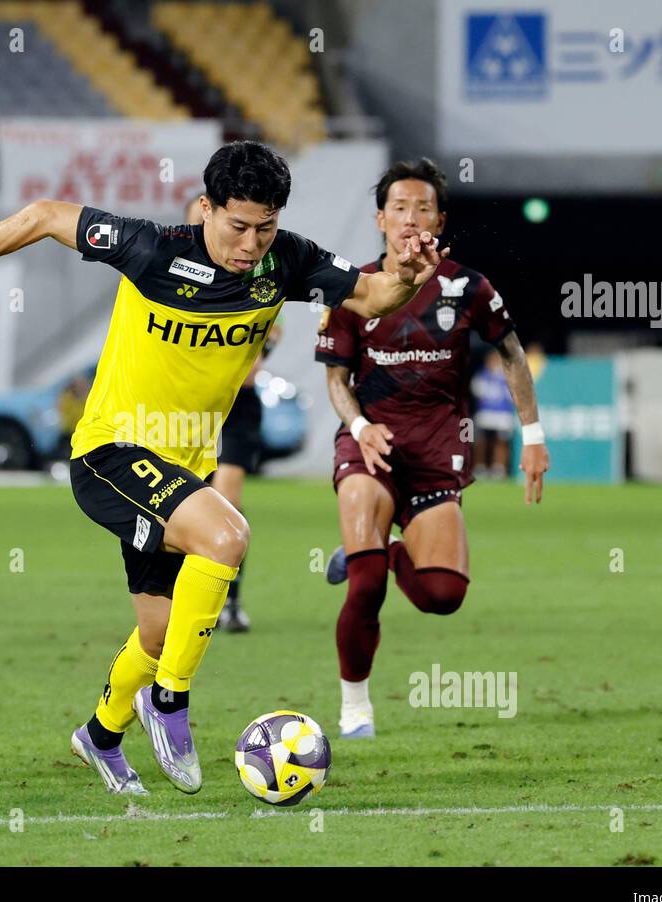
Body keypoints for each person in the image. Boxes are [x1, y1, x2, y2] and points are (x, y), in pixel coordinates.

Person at [0, 140, 443, 795]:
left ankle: (101, 736)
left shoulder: (288, 261)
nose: (252, 243)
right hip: (112, 452)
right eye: (238, 226)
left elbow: (372, 298)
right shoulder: (154, 248)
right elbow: (44, 216)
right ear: (206, 208)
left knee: (158, 630)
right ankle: (170, 701)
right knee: (226, 536)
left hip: (183, 471)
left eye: (266, 227)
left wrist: (409, 273)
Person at [318, 158, 549, 739]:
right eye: (399, 208)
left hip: (438, 450)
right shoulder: (353, 290)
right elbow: (336, 381)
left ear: (439, 221)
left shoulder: (468, 287)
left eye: (423, 208)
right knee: (366, 588)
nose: (410, 219)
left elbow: (512, 353)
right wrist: (360, 425)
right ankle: (355, 706)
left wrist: (533, 436)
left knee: (444, 595)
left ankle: (381, 551)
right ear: (379, 219)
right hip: (370, 446)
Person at [183, 194, 284, 633]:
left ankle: (229, 604)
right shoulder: (173, 274)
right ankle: (178, 604)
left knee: (228, 505)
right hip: (183, 408)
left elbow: (273, 327)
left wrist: (257, 353)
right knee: (179, 511)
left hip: (235, 407)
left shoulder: (257, 272)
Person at [471, 349, 515, 477]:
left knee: (501, 441)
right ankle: (479, 467)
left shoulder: (507, 377)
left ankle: (498, 467)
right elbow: (477, 393)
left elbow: (512, 395)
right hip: (485, 413)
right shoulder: (482, 375)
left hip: (502, 414)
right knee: (480, 440)